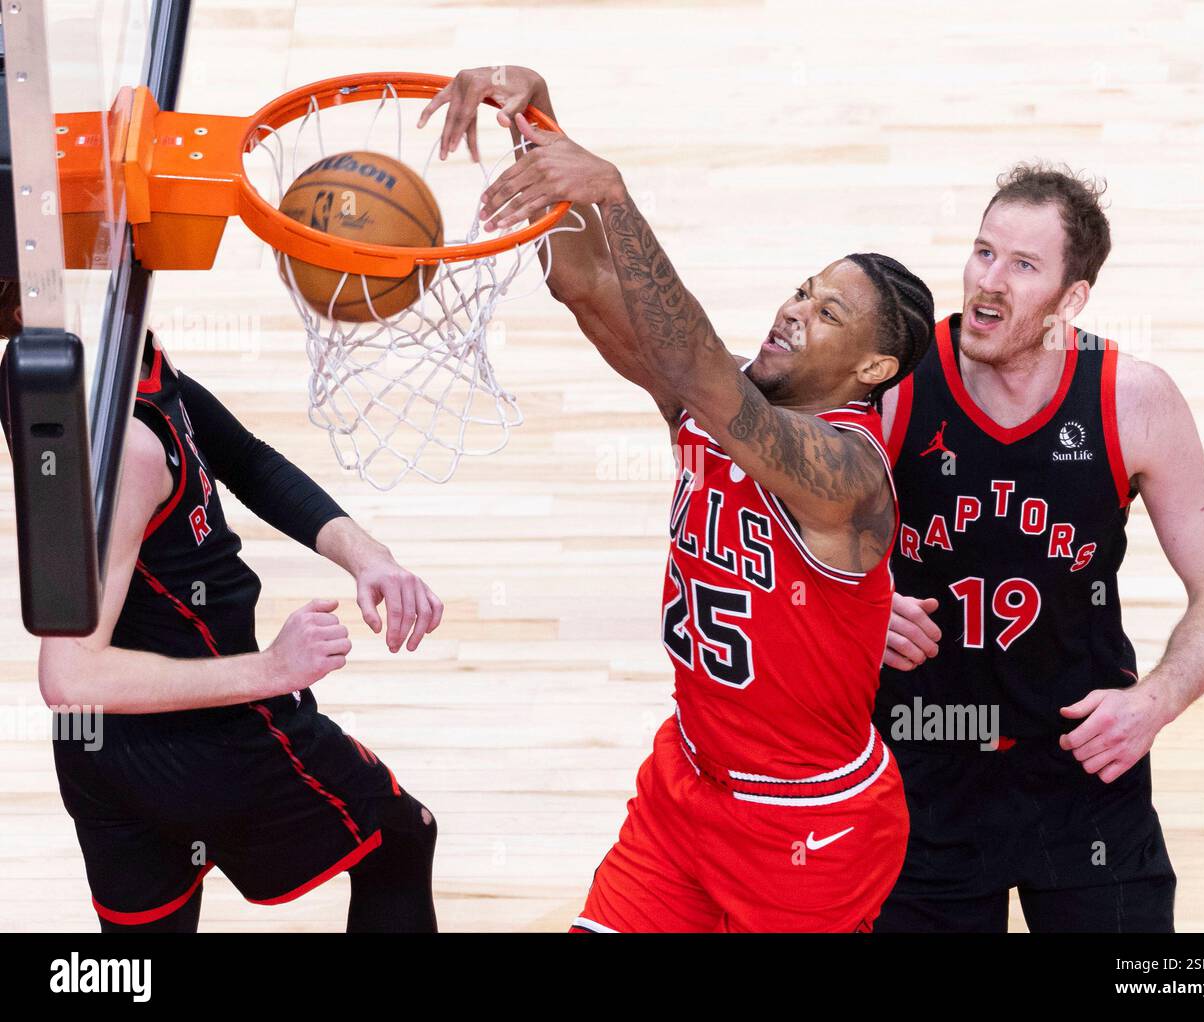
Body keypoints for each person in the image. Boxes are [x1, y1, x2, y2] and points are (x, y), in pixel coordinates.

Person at [424, 66, 935, 931]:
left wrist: (615, 194)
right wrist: (538, 124)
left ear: (872, 370)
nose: (793, 309)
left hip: (809, 827)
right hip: (685, 788)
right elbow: (586, 286)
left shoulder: (847, 478)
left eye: (828, 315)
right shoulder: (711, 404)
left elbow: (698, 364)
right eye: (803, 289)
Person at [872, 164, 1204, 932]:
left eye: (1022, 265)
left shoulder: (1131, 399)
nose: (988, 281)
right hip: (922, 768)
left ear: (1071, 299)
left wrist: (1156, 702)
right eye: (983, 252)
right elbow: (771, 548)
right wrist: (859, 606)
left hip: (1083, 769)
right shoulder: (896, 382)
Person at [0, 289, 443, 932]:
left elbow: (243, 457)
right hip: (214, 736)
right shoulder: (124, 447)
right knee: (400, 839)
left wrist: (368, 557)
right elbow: (70, 676)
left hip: (104, 757)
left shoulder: (76, 361)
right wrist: (274, 669)